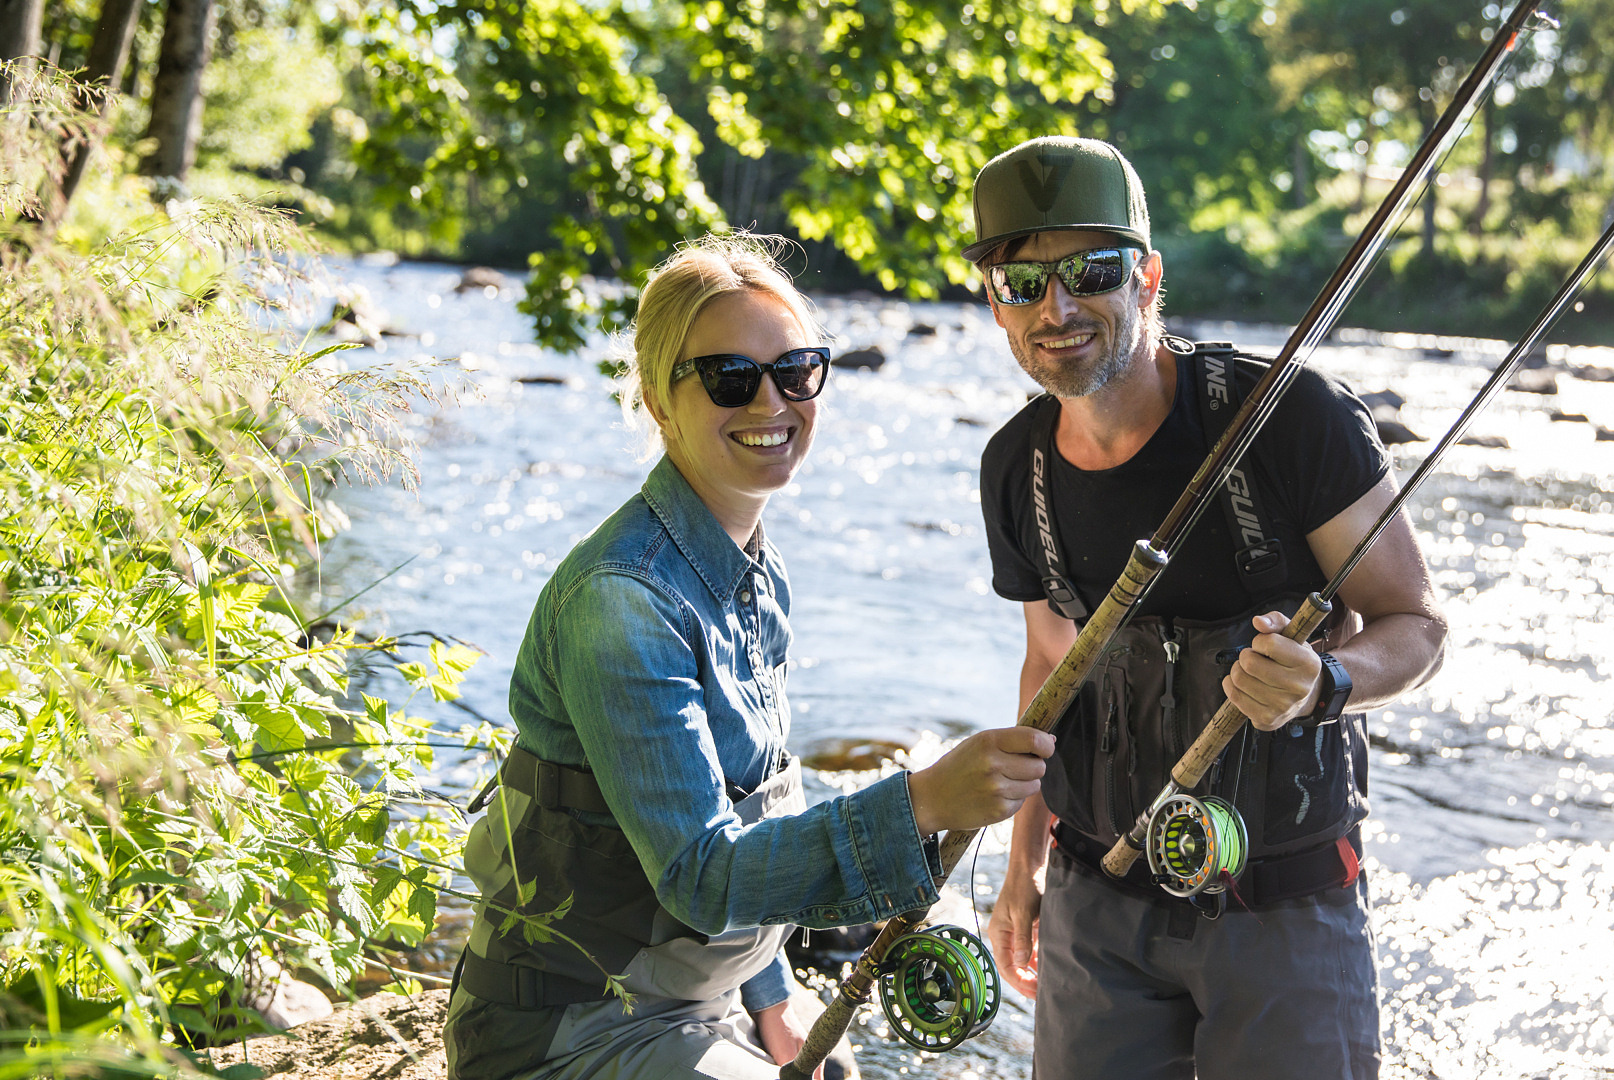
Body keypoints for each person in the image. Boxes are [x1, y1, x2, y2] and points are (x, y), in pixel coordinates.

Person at [444, 234, 1054, 1080]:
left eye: (796, 371)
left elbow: (753, 811)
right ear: (660, 400)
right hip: (572, 1031)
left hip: (697, 1006)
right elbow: (700, 874)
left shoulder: (757, 579)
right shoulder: (621, 604)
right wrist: (922, 802)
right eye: (732, 378)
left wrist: (770, 994)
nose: (771, 401)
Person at [971, 137, 1448, 1080]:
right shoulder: (1013, 468)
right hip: (1090, 897)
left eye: (1089, 272)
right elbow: (1049, 670)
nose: (1056, 309)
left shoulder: (1293, 416)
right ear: (995, 302)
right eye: (1021, 284)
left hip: (1282, 908)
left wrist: (1330, 682)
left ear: (1147, 277)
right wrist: (1022, 863)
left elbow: (1417, 624)